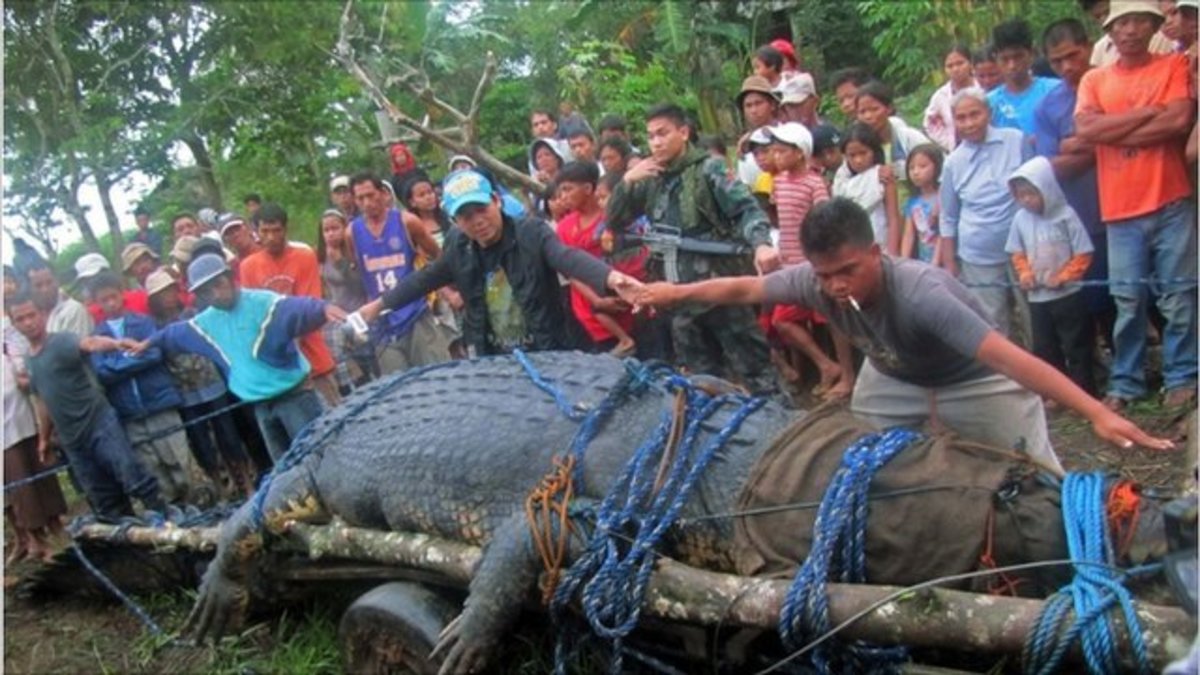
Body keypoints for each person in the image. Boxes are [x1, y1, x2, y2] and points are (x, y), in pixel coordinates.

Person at [633, 197, 1175, 471]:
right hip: (892, 378)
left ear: (876, 253)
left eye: (848, 270)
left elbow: (1012, 360)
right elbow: (743, 290)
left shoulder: (922, 293)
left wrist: (1097, 412)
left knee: (1038, 477)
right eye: (824, 275)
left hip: (974, 380)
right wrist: (671, 293)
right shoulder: (814, 282)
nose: (836, 285)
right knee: (865, 459)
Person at [354, 169, 640, 356]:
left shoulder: (530, 232)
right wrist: (378, 306)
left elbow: (566, 257)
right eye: (466, 217)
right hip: (495, 357)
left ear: (496, 201)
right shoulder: (458, 245)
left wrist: (612, 278)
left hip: (548, 348)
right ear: (455, 221)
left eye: (481, 209)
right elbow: (424, 279)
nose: (477, 221)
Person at [607, 103, 783, 397]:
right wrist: (626, 181)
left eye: (663, 133)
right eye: (650, 136)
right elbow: (614, 220)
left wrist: (762, 244)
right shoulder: (650, 177)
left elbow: (746, 209)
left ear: (684, 132)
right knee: (701, 383)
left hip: (720, 292)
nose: (656, 142)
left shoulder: (709, 168)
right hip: (678, 299)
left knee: (758, 373)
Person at [1075, 0, 1197, 409]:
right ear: (1109, 31)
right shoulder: (1094, 79)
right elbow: (1087, 128)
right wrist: (1148, 114)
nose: (1129, 30)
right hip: (1121, 208)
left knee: (1178, 296)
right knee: (1127, 300)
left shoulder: (1172, 67)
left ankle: (1182, 375)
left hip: (1170, 198)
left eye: (1138, 21)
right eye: (1121, 23)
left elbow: (1179, 121)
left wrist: (1114, 132)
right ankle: (1126, 381)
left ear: (1153, 26)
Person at [130, 254, 346, 462]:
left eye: (218, 284)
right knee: (286, 468)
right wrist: (146, 343)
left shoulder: (264, 303)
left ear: (230, 277)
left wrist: (323, 308)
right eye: (206, 292)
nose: (215, 294)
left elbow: (297, 308)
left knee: (319, 456)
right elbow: (173, 334)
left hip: (295, 397)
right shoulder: (205, 323)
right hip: (260, 406)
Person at [7, 292, 167, 522]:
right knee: (102, 495)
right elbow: (43, 400)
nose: (28, 322)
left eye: (31, 315)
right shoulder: (30, 361)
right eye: (20, 319)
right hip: (72, 439)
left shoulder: (61, 341)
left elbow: (89, 343)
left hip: (98, 422)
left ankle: (165, 517)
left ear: (42, 314)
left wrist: (116, 343)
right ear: (14, 324)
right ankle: (126, 540)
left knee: (131, 473)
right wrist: (44, 438)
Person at [88, 272, 209, 506]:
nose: (110, 303)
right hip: (129, 412)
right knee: (154, 470)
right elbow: (101, 372)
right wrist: (134, 355)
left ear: (122, 293)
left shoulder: (142, 322)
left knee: (180, 461)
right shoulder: (97, 336)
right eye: (104, 300)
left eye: (113, 296)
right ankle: (174, 518)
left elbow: (154, 353)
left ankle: (201, 506)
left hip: (159, 402)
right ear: (97, 303)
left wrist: (120, 363)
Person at [1035, 18, 1115, 358]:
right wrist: (1106, 141)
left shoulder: (1116, 82)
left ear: (1088, 46)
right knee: (1099, 298)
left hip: (1131, 202)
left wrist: (1078, 143)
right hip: (1085, 213)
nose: (1067, 66)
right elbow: (1052, 166)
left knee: (1148, 291)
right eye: (1057, 61)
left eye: (1072, 55)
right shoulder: (1048, 105)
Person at [144, 268, 256, 498]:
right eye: (160, 294)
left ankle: (244, 482)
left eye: (169, 291)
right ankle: (220, 487)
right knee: (200, 442)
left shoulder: (195, 313)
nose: (167, 297)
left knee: (228, 434)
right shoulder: (154, 327)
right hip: (184, 391)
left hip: (213, 383)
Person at [940, 87, 1032, 337]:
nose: (969, 123)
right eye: (961, 118)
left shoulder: (1016, 140)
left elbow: (1037, 189)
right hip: (977, 254)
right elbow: (948, 217)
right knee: (993, 323)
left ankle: (1044, 371)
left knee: (1033, 315)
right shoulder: (953, 162)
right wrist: (950, 264)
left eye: (975, 114)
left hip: (1023, 248)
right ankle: (1006, 375)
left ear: (988, 113)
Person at [1004, 156, 1097, 396]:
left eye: (1031, 193)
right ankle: (1056, 394)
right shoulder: (1020, 219)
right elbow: (1017, 251)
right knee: (1045, 348)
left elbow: (1084, 252)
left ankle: (1083, 391)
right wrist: (1024, 273)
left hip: (1068, 294)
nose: (1026, 199)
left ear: (1046, 188)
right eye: (1021, 195)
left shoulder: (1066, 215)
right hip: (1038, 297)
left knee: (1076, 344)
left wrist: (1066, 275)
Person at [349, 172, 454, 375]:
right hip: (382, 323)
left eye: (370, 195)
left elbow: (439, 259)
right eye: (360, 198)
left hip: (415, 312)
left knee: (439, 376)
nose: (367, 202)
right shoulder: (352, 233)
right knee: (399, 388)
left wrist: (447, 293)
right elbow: (358, 272)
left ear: (382, 193)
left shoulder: (407, 222)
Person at [239, 203, 341, 407]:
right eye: (264, 231)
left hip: (313, 355)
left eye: (276, 230)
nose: (270, 237)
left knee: (335, 414)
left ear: (285, 229)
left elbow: (310, 305)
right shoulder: (248, 267)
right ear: (255, 232)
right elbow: (252, 315)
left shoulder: (304, 256)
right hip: (279, 367)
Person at [555, 162, 637, 356]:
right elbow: (569, 270)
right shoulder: (564, 227)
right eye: (561, 191)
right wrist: (596, 300)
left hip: (624, 295)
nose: (563, 196)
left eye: (568, 189)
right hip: (587, 305)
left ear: (588, 188)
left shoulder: (611, 218)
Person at [4, 318, 67, 563]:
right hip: (3, 436)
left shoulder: (6, 332)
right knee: (21, 487)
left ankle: (57, 527)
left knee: (42, 474)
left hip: (23, 416)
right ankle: (39, 540)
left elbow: (19, 356)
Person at [317, 209, 378, 388]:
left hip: (361, 313)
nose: (331, 234)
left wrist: (341, 263)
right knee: (348, 367)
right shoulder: (320, 257)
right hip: (338, 317)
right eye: (326, 230)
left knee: (369, 361)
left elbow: (361, 283)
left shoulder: (354, 252)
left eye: (335, 228)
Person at [832, 123, 902, 254]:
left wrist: (893, 255)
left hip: (881, 244)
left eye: (863, 153)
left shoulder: (883, 177)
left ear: (874, 151)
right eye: (852, 155)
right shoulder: (840, 182)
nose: (858, 160)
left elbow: (893, 218)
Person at [988, 19, 1061, 141]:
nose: (1012, 65)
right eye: (1005, 59)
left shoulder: (1054, 91)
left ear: (1032, 54)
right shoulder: (990, 103)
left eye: (1018, 57)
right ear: (996, 59)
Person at [853, 80, 933, 180]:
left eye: (874, 109)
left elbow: (938, 166)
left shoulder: (910, 138)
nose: (868, 116)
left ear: (889, 108)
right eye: (862, 112)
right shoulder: (856, 145)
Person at [924, 44, 978, 151]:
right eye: (950, 66)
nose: (955, 69)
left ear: (970, 63)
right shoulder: (940, 96)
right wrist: (948, 142)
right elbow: (930, 123)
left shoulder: (983, 87)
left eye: (960, 63)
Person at [1089, 0, 1175, 65]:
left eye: (1140, 21)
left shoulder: (1172, 64)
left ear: (1155, 27)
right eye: (1123, 23)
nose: (1131, 30)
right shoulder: (1094, 78)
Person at [74, 252, 150, 324]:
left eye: (96, 276)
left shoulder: (141, 298)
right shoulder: (89, 314)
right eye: (87, 280)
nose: (94, 282)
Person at [901, 144, 945, 264]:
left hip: (944, 260)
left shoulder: (943, 199)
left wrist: (935, 262)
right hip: (924, 261)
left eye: (922, 166)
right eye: (911, 168)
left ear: (937, 167)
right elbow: (908, 235)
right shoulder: (912, 202)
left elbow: (943, 232)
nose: (916, 172)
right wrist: (903, 261)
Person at [734, 76, 782, 188]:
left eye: (758, 103)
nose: (753, 110)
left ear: (773, 105)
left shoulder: (787, 136)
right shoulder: (744, 147)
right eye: (748, 106)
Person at [26, 263, 93, 338]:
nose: (45, 289)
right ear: (30, 289)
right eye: (38, 285)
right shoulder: (28, 317)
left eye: (49, 282)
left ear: (57, 282)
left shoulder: (73, 310)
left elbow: (77, 346)